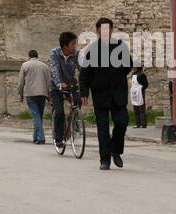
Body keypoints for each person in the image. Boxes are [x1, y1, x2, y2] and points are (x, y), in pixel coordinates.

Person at [78, 17, 134, 170]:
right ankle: (105, 159)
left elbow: (128, 65)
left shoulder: (120, 46)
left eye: (108, 29)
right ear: (97, 31)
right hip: (100, 94)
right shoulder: (92, 50)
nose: (105, 32)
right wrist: (84, 91)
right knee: (102, 128)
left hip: (118, 93)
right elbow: (84, 74)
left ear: (111, 30)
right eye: (102, 29)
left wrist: (119, 74)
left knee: (122, 122)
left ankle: (116, 150)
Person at [50, 32, 81, 153]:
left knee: (77, 103)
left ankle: (72, 123)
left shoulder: (76, 54)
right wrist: (58, 83)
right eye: (73, 44)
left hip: (71, 84)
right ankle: (58, 139)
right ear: (64, 46)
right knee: (59, 112)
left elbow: (82, 68)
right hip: (56, 86)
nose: (75, 46)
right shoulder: (55, 53)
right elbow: (54, 68)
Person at [18, 49, 53, 144]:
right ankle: (35, 137)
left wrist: (20, 94)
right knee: (39, 116)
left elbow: (21, 83)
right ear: (37, 56)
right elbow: (49, 82)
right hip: (42, 93)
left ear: (28, 56)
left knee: (36, 115)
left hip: (30, 94)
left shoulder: (25, 65)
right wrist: (50, 96)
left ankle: (41, 138)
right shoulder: (45, 66)